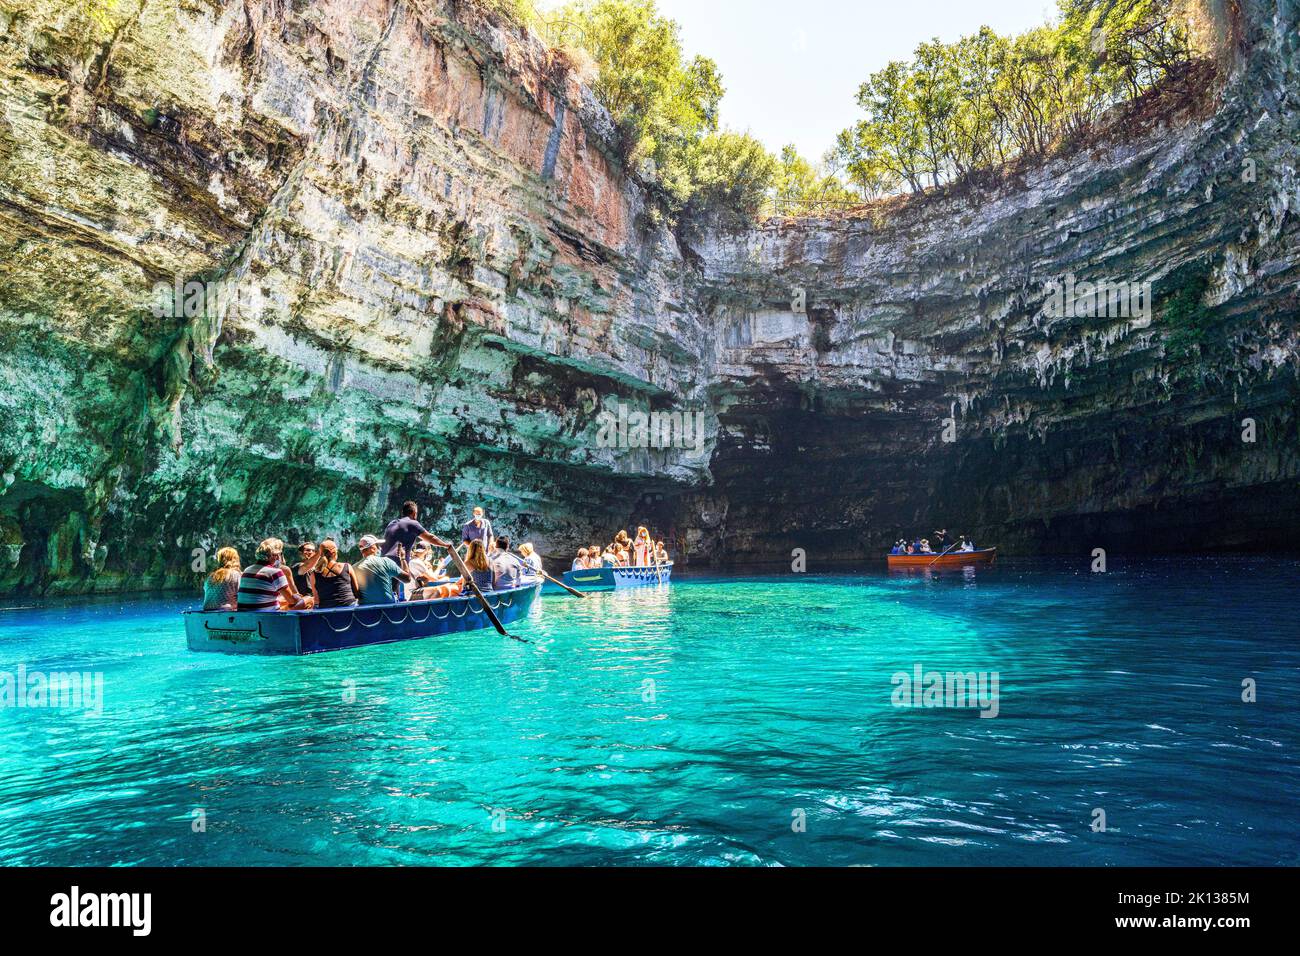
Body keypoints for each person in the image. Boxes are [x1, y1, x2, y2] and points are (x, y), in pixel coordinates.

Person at [237, 538, 307, 611]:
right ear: (275, 556)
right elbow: (292, 601)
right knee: (308, 600)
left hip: (244, 616)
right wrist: (298, 597)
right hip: (267, 617)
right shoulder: (275, 572)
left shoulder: (247, 570)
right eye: (280, 553)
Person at [353, 534, 411, 606]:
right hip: (388, 609)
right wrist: (402, 558)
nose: (379, 548)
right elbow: (407, 579)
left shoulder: (353, 568)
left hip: (365, 612)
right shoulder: (386, 561)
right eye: (378, 546)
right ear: (373, 548)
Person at [382, 501, 451, 560]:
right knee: (406, 575)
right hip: (397, 563)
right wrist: (445, 545)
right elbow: (430, 538)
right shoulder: (412, 523)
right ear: (414, 513)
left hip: (383, 561)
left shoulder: (392, 523)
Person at [310, 539, 359, 608]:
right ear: (335, 553)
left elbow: (316, 600)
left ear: (320, 554)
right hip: (349, 608)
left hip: (326, 611)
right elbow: (356, 592)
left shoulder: (314, 574)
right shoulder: (346, 566)